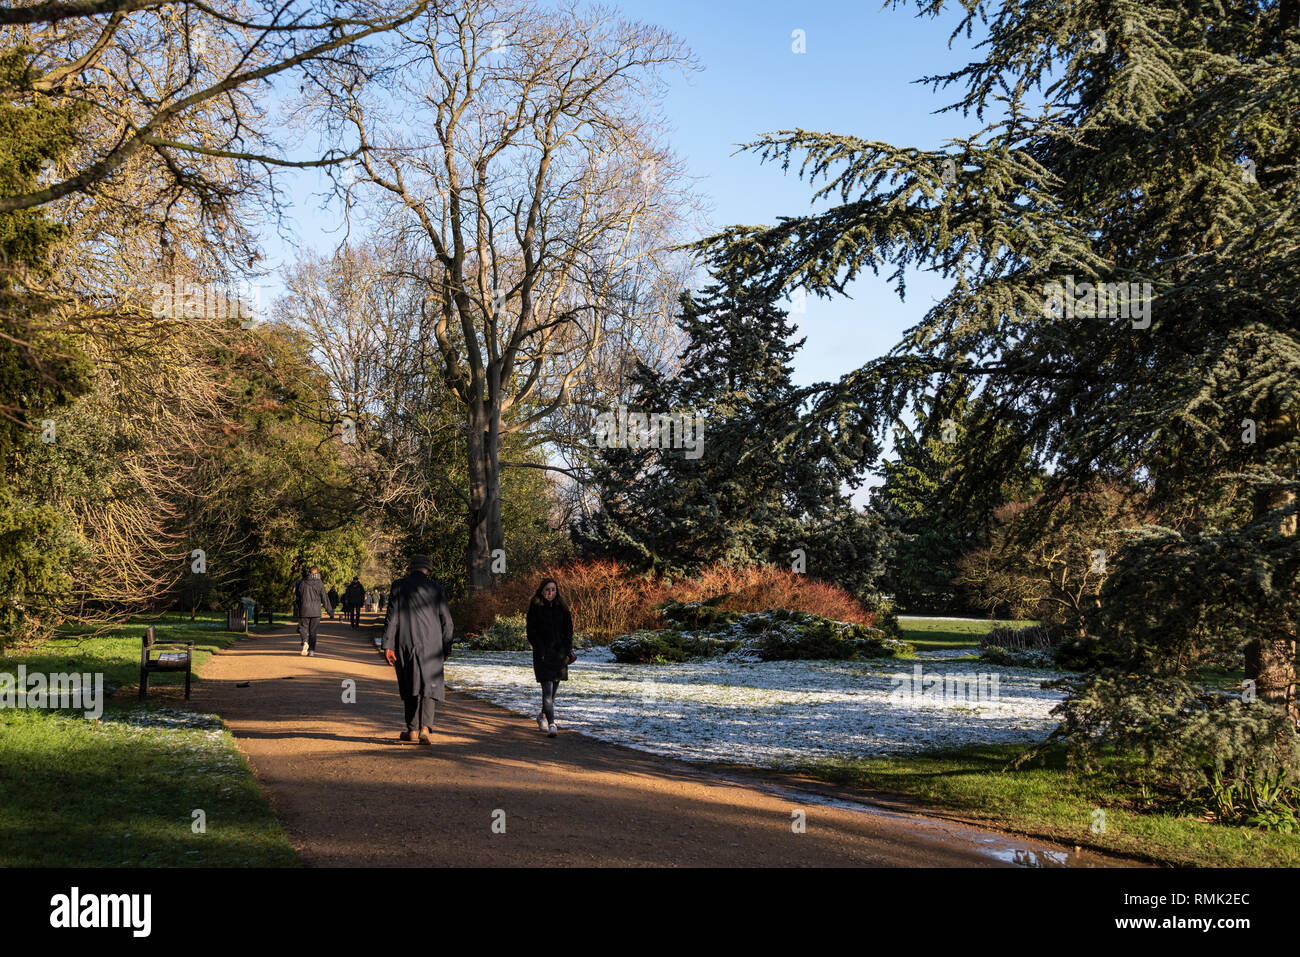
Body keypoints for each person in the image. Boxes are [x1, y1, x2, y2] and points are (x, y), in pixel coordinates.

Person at [381, 555, 454, 745]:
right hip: (432, 644)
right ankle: (425, 728)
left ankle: (412, 730)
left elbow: (392, 617)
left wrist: (388, 645)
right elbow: (447, 621)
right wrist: (446, 646)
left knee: (410, 684)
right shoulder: (436, 588)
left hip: (406, 642)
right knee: (429, 686)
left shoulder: (399, 586)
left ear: (410, 569)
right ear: (428, 571)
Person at [526, 577, 575, 738]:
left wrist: (566, 650)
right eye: (547, 589)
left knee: (553, 692)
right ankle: (552, 724)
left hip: (560, 656)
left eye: (553, 589)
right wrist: (541, 649)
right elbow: (531, 632)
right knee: (547, 691)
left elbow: (569, 631)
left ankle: (542, 716)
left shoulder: (562, 608)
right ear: (541, 591)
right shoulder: (535, 607)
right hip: (543, 655)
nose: (550, 593)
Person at [293, 566, 331, 657]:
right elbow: (324, 598)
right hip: (316, 611)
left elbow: (298, 594)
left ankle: (305, 641)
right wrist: (329, 610)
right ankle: (312, 651)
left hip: (304, 609)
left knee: (303, 628)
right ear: (317, 573)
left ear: (309, 572)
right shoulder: (320, 583)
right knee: (313, 631)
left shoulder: (303, 582)